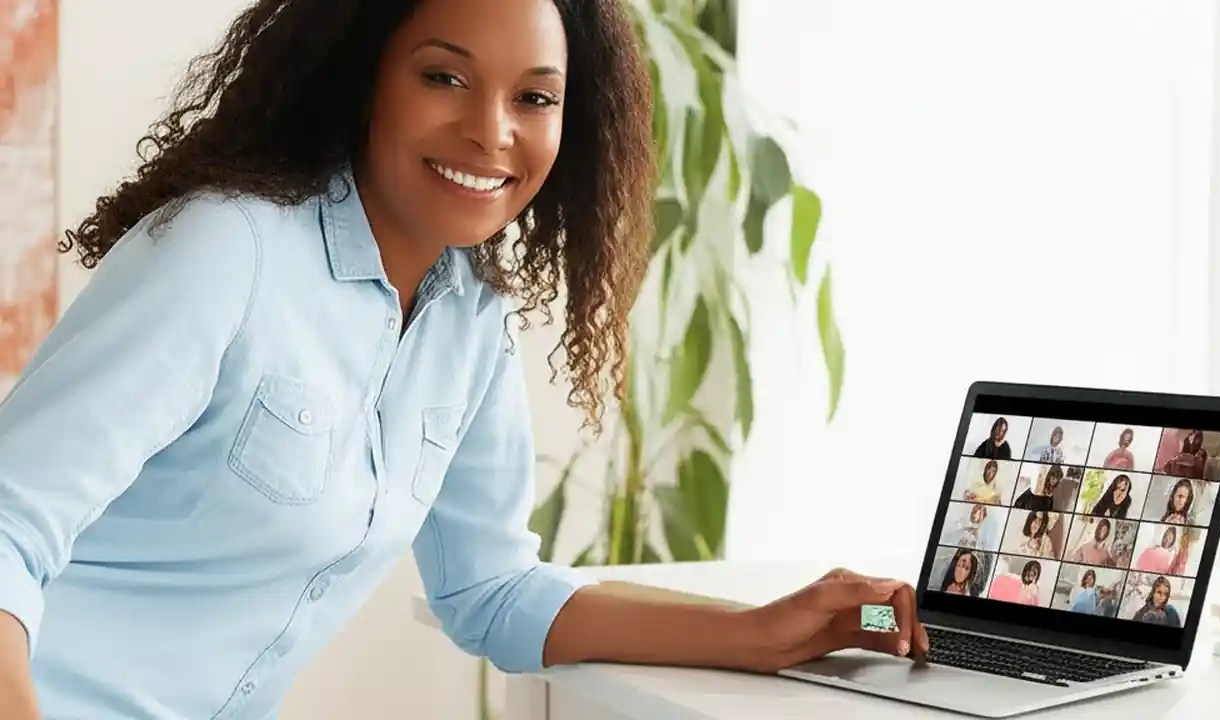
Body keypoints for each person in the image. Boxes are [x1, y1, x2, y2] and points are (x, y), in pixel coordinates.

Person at [0, 3, 930, 718]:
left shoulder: (468, 319)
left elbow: (493, 591)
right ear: (364, 74)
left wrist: (763, 631)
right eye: (445, 78)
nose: (493, 131)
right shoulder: (224, 250)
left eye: (535, 97)